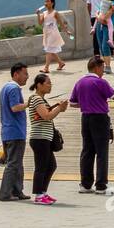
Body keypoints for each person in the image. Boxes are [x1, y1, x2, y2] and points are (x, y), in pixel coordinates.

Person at [70, 55, 114, 194]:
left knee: (87, 151)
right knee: (101, 152)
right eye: (102, 67)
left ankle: (85, 184)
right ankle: (101, 185)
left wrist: (86, 103)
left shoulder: (80, 82)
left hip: (86, 117)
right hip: (100, 118)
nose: (103, 71)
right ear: (96, 67)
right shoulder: (100, 82)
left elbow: (72, 102)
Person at [26, 72, 68, 205]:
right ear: (39, 85)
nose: (50, 85)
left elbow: (47, 114)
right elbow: (46, 116)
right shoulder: (37, 99)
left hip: (44, 137)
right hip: (39, 137)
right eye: (48, 83)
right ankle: (38, 195)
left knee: (50, 165)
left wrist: (58, 108)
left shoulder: (41, 99)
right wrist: (59, 109)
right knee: (41, 166)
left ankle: (42, 192)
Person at [0, 62, 30, 201]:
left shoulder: (5, 87)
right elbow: (15, 107)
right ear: (16, 74)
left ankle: (18, 191)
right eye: (25, 74)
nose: (27, 77)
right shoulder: (13, 88)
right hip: (15, 131)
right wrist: (30, 103)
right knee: (13, 164)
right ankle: (5, 193)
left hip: (8, 131)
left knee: (17, 163)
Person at [36, 0, 69, 73]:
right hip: (46, 33)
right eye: (45, 1)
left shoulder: (55, 12)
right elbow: (40, 23)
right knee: (51, 50)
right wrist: (38, 14)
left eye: (48, 1)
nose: (46, 3)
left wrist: (66, 31)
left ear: (52, 3)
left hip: (53, 33)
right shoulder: (44, 13)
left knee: (48, 50)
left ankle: (46, 68)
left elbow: (61, 23)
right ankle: (61, 63)